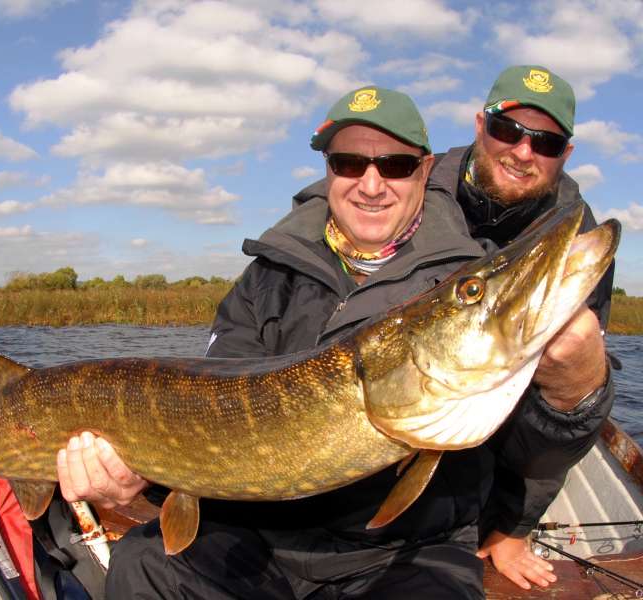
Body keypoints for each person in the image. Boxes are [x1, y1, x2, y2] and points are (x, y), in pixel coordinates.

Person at [56, 83, 607, 598]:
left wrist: (575, 388)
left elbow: (534, 457)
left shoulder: (466, 269)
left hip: (406, 547)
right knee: (145, 565)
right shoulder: (267, 277)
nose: (371, 184)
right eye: (349, 163)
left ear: (425, 170)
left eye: (394, 165)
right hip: (260, 535)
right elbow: (211, 411)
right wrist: (141, 475)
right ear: (328, 171)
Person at [288, 65, 615, 591]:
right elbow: (337, 196)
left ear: (566, 154)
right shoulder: (416, 175)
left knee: (567, 374)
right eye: (508, 131)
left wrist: (515, 526)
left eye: (547, 143)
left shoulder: (576, 230)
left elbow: (555, 415)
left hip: (470, 410)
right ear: (480, 126)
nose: (523, 152)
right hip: (394, 382)